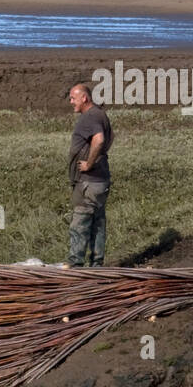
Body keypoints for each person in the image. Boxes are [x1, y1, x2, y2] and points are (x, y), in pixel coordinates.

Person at [67, 83, 113, 267]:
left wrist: (90, 163)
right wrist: (100, 157)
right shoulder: (101, 114)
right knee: (97, 223)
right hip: (100, 180)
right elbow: (110, 137)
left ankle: (76, 267)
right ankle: (96, 266)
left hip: (89, 183)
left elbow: (100, 139)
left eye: (73, 98)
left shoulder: (90, 117)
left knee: (79, 224)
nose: (71, 102)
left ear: (84, 98)